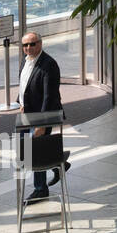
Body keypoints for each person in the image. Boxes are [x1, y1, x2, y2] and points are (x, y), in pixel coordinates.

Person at [19, 32, 69, 202]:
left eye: (32, 44)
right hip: (29, 112)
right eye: (25, 45)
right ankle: (57, 166)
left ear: (40, 43)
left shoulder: (49, 64)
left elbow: (49, 96)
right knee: (25, 149)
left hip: (44, 114)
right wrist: (21, 102)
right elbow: (24, 83)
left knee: (35, 152)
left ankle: (41, 189)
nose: (28, 48)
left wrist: (41, 124)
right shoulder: (26, 61)